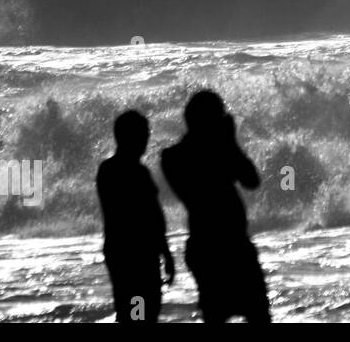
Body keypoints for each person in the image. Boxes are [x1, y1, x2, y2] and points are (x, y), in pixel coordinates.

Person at [160, 90, 271, 323]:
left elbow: (251, 181)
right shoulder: (184, 155)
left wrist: (226, 143)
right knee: (253, 314)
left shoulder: (174, 156)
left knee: (228, 314)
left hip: (213, 246)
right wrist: (229, 142)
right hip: (221, 247)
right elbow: (250, 180)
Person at [96, 109, 175, 323]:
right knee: (137, 309)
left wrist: (164, 252)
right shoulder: (126, 171)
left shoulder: (115, 169)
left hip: (128, 252)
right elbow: (146, 216)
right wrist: (165, 252)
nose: (146, 140)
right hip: (133, 255)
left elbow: (151, 216)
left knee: (137, 309)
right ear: (127, 137)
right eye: (143, 135)